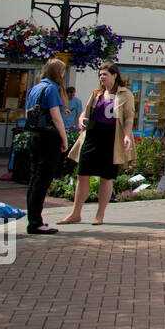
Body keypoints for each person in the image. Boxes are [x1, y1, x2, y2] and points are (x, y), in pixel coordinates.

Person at [59, 63, 136, 226]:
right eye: (100, 74)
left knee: (106, 177)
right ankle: (75, 213)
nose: (102, 77)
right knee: (82, 174)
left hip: (111, 138)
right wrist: (82, 121)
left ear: (114, 75)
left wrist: (127, 136)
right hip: (92, 136)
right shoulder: (97, 94)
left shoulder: (125, 94)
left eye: (105, 74)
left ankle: (100, 214)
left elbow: (129, 117)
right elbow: (84, 114)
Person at [22, 57, 68, 235]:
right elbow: (56, 118)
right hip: (48, 138)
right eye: (63, 71)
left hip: (35, 136)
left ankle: (34, 219)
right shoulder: (52, 89)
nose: (63, 75)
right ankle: (35, 223)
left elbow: (28, 112)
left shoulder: (36, 87)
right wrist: (64, 139)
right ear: (58, 72)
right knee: (42, 180)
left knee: (34, 179)